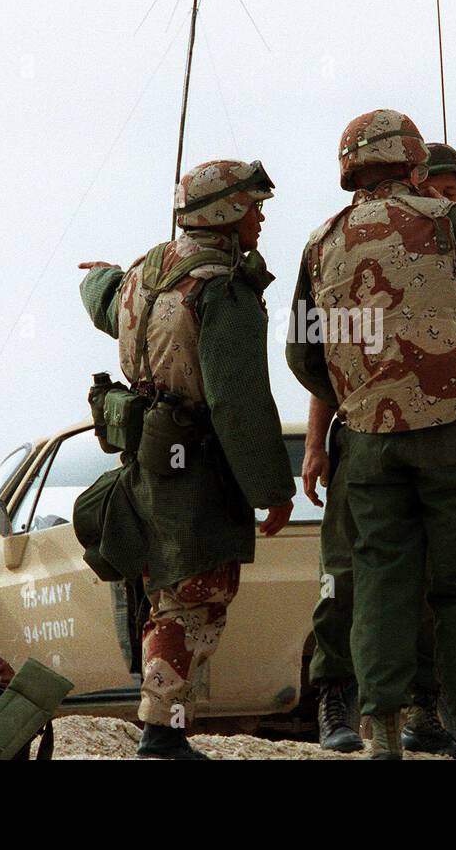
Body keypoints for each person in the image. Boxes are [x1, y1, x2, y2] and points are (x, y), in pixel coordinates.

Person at [287, 110, 456, 759]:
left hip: (366, 442)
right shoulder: (447, 220)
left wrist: (356, 394)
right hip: (448, 435)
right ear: (412, 160)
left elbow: (302, 358)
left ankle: (386, 732)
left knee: (382, 585)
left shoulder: (322, 242)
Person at [79, 159, 295, 759]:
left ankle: (163, 729)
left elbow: (103, 299)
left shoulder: (145, 274)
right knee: (193, 597)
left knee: (165, 591)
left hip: (146, 459)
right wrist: (271, 488)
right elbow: (239, 401)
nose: (260, 216)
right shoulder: (224, 289)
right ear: (224, 212)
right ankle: (162, 734)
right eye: (252, 205)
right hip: (197, 464)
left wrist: (96, 277)